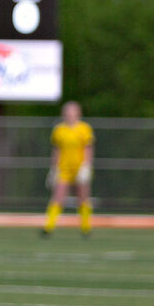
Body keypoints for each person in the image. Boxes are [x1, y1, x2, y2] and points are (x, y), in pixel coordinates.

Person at [42, 100, 94, 237]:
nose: (69, 114)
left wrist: (86, 166)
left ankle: (86, 228)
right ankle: (48, 227)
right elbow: (57, 150)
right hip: (63, 169)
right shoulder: (59, 130)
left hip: (79, 168)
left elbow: (88, 149)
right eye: (67, 111)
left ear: (78, 113)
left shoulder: (84, 128)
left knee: (83, 198)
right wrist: (53, 169)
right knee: (58, 197)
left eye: (72, 111)